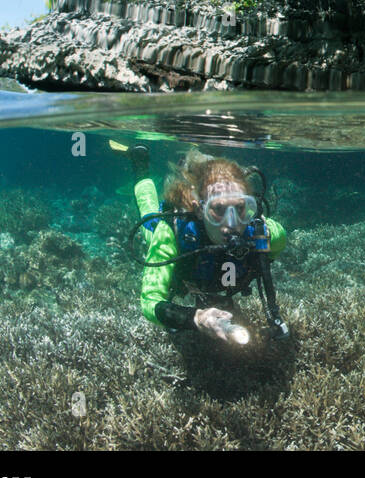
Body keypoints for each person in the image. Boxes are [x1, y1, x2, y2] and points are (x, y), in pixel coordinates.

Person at [122, 144, 290, 343]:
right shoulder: (171, 233)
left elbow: (278, 241)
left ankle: (207, 155)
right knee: (147, 212)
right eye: (219, 209)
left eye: (240, 207)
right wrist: (196, 318)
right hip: (176, 245)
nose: (232, 222)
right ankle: (141, 167)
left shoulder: (264, 233)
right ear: (199, 209)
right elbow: (150, 301)